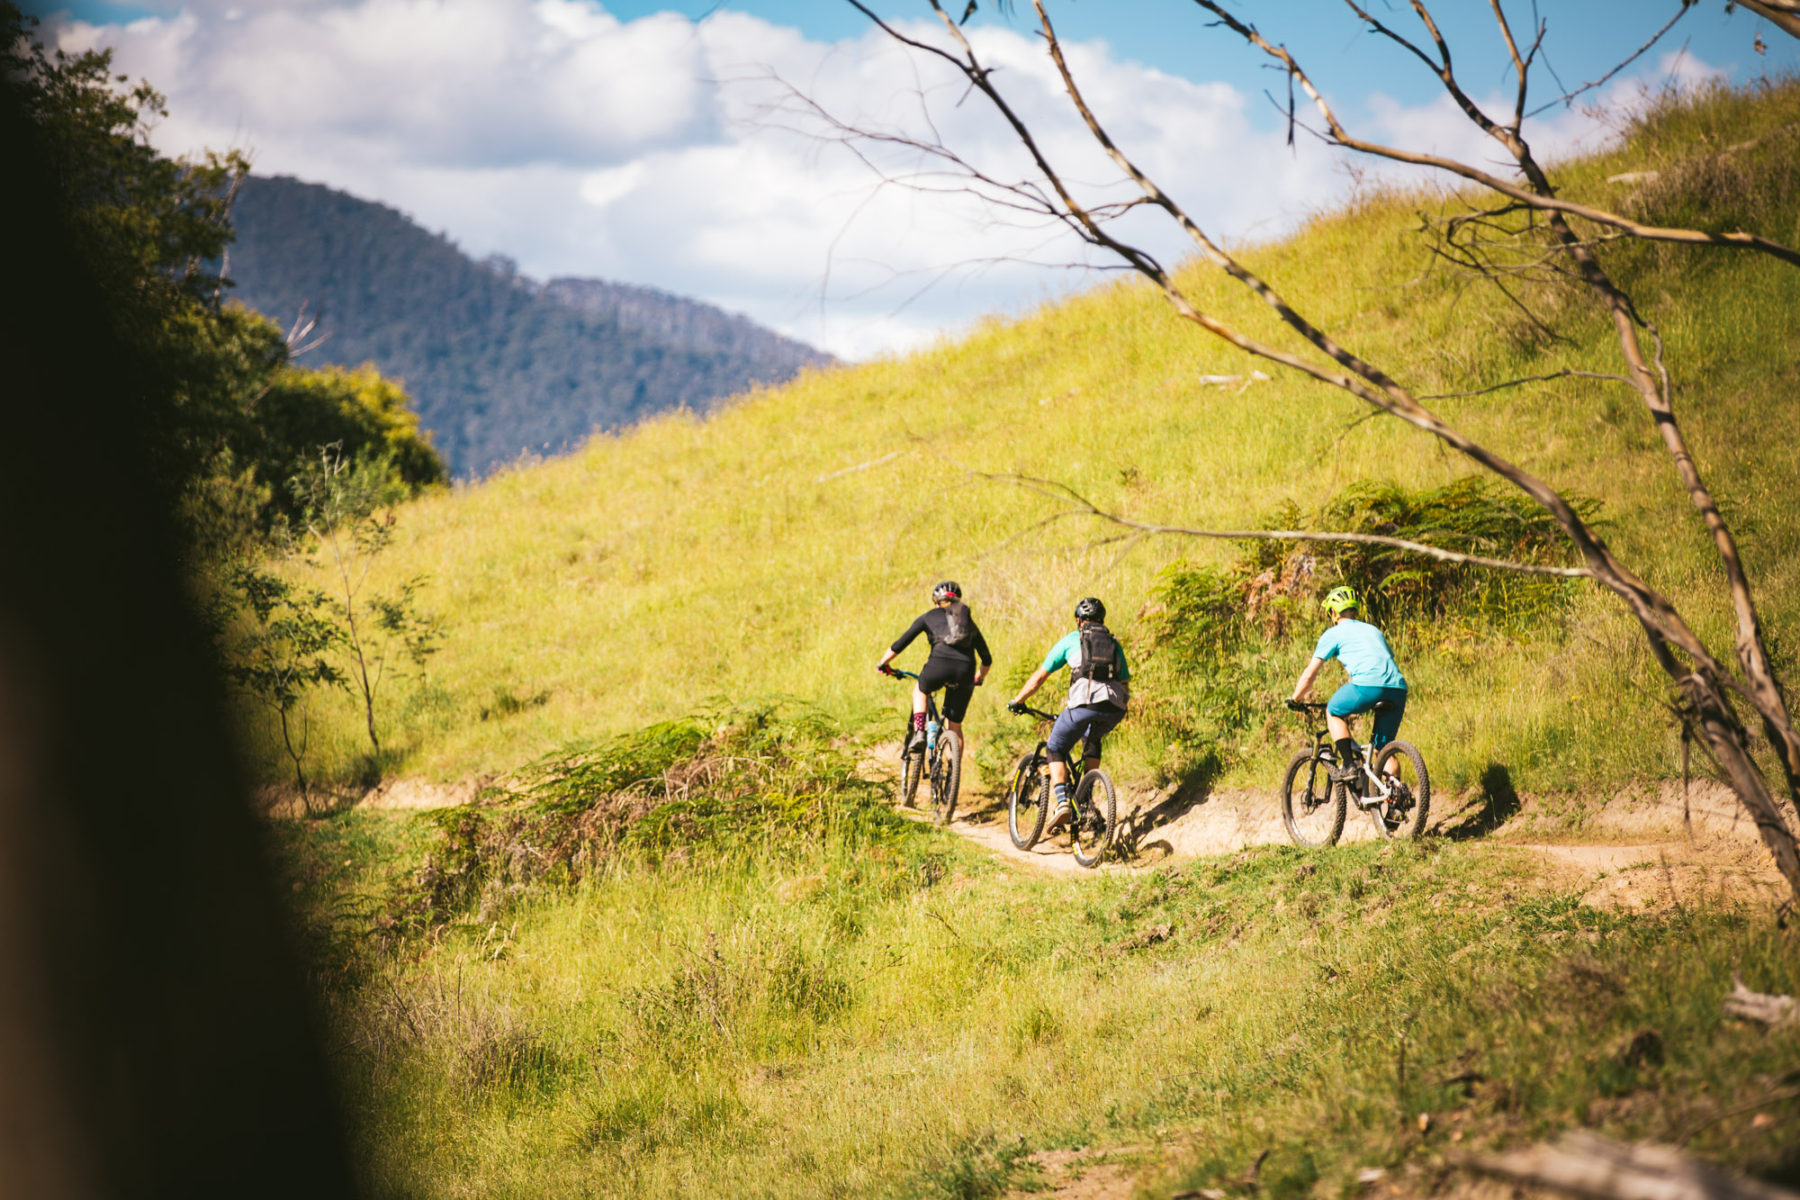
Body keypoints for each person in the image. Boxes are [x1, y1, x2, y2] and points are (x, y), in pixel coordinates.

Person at [1007, 597, 1128, 832]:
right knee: (1092, 739)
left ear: (1078, 620)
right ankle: (1086, 798)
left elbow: (1040, 677)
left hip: (1083, 703)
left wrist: (1018, 700)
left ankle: (1062, 802)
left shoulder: (1072, 640)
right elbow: (1124, 684)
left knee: (1055, 748)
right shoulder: (1114, 644)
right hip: (1115, 708)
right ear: (1102, 620)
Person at [1288, 585, 1408, 785]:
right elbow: (1378, 662)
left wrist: (1295, 698)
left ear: (1333, 612)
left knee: (1333, 710)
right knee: (1383, 750)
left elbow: (1310, 674)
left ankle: (1349, 765)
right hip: (1397, 688)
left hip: (1368, 685)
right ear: (1355, 610)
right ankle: (1396, 802)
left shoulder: (1333, 633)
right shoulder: (1374, 630)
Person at [876, 581, 992, 762]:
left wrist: (883, 663)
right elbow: (987, 659)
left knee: (921, 690)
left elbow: (900, 644)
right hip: (966, 670)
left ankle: (920, 732)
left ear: (936, 600)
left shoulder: (928, 617)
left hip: (939, 664)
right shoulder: (967, 622)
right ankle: (953, 773)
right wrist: (979, 677)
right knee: (955, 726)